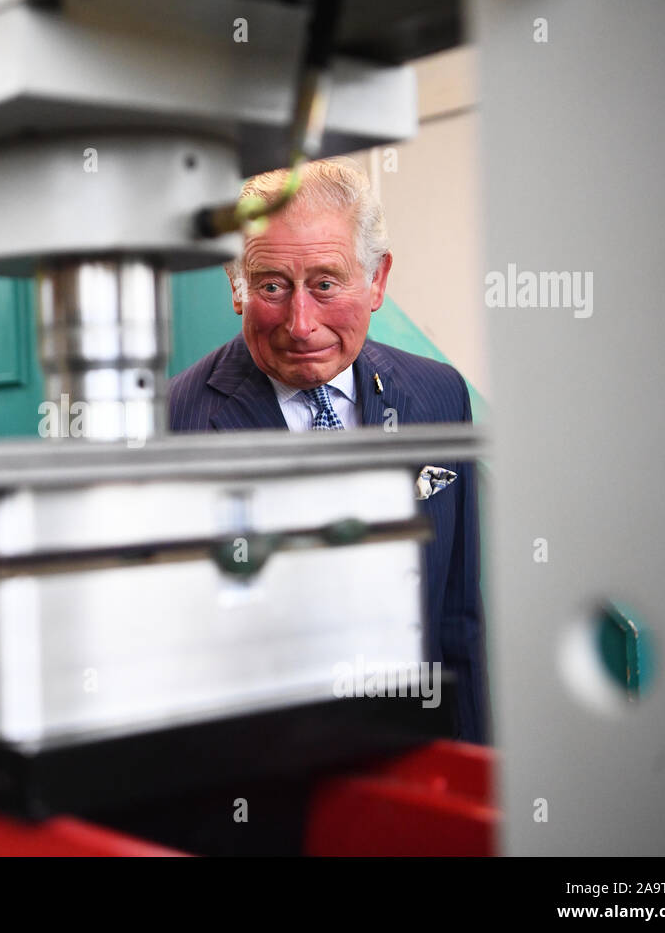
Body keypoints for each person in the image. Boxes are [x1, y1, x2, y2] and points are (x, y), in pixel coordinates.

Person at [169, 157, 488, 743]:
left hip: (408, 761)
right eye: (272, 286)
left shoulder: (440, 394)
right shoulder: (172, 423)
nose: (300, 323)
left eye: (325, 283)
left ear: (378, 280)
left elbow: (458, 620)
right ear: (236, 286)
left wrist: (471, 777)